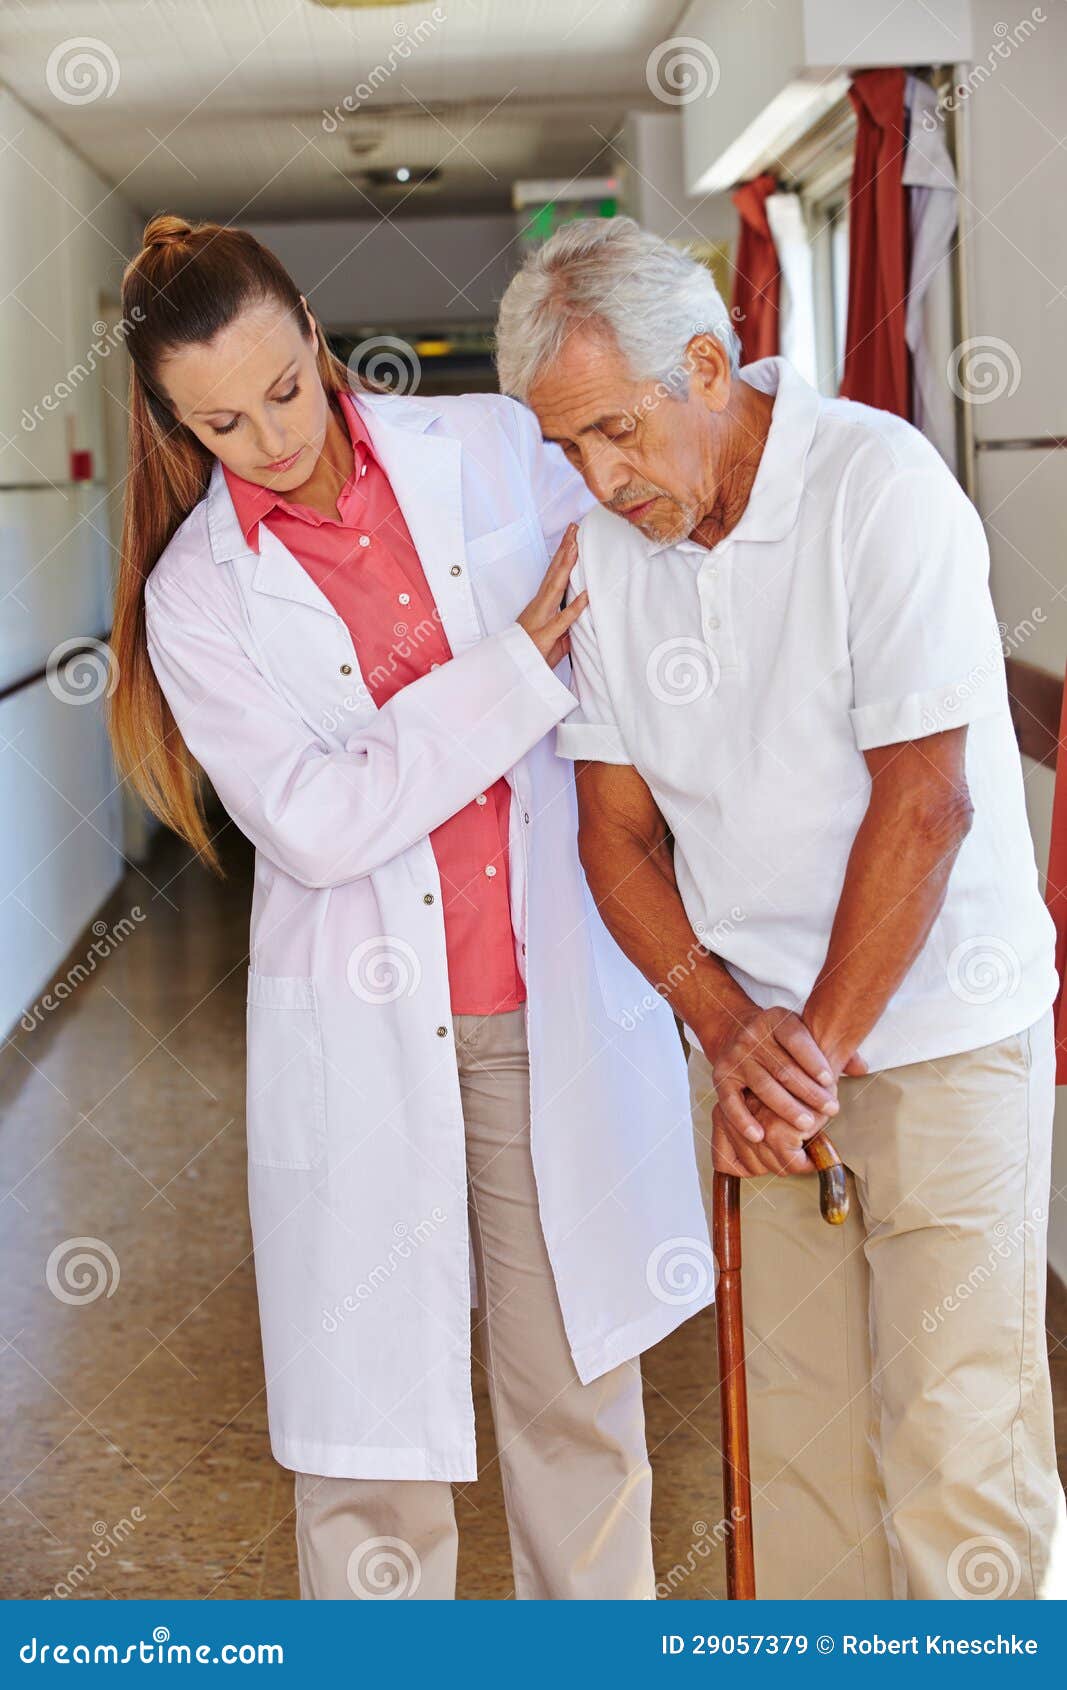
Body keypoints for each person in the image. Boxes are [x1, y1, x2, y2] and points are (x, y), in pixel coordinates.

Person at [107, 214, 713, 1601]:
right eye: (222, 422)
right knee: (370, 1457)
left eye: (283, 389)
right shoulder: (199, 599)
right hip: (369, 1033)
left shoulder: (492, 445)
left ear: (317, 340)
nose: (270, 439)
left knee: (578, 1411)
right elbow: (320, 827)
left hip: (543, 1003)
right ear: (170, 422)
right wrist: (510, 669)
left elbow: (627, 626)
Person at [495, 214, 1067, 1601]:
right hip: (759, 1062)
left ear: (707, 362)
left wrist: (807, 1047)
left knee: (956, 1432)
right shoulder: (611, 553)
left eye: (617, 431)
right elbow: (614, 833)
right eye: (568, 447)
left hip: (938, 1035)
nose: (599, 475)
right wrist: (730, 1027)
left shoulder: (881, 486)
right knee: (796, 1453)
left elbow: (926, 798)